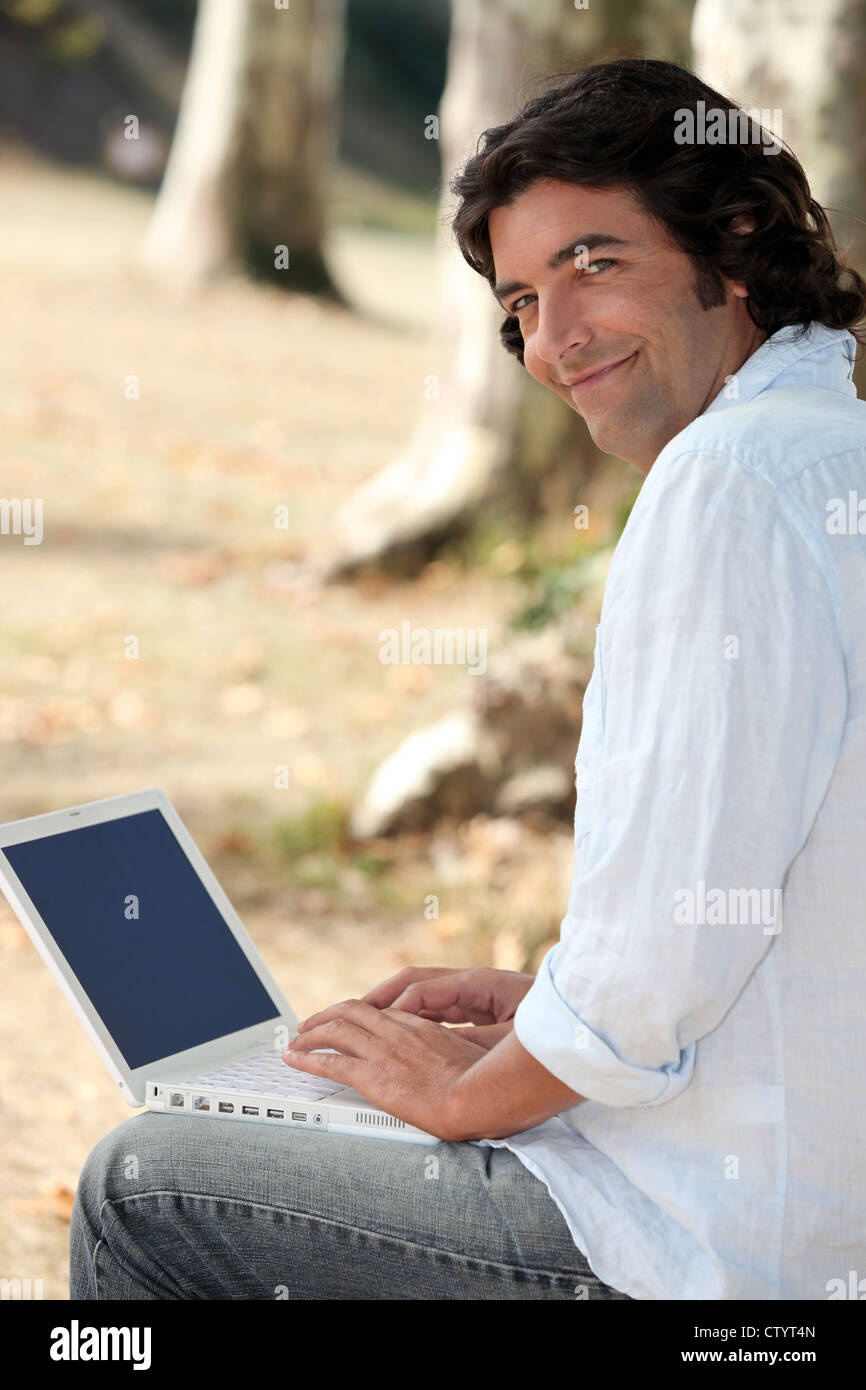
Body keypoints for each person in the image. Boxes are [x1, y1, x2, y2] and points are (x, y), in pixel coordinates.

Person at [70, 56, 866, 1301]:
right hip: (794, 1201)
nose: (553, 341)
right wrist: (540, 1017)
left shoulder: (729, 483)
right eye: (520, 305)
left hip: (701, 1251)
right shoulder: (833, 458)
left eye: (592, 263)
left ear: (735, 234)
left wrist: (466, 1088)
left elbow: (663, 958)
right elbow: (760, 905)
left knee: (148, 1187)